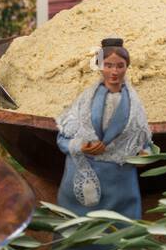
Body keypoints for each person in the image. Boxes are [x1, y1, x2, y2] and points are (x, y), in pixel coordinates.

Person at [56, 38, 153, 219]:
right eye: (108, 65)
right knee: (80, 227)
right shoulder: (85, 100)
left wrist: (144, 154)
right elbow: (62, 139)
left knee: (117, 229)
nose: (114, 72)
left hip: (119, 181)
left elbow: (144, 140)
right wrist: (81, 146)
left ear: (127, 67)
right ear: (100, 67)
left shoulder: (134, 104)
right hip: (85, 177)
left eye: (120, 66)